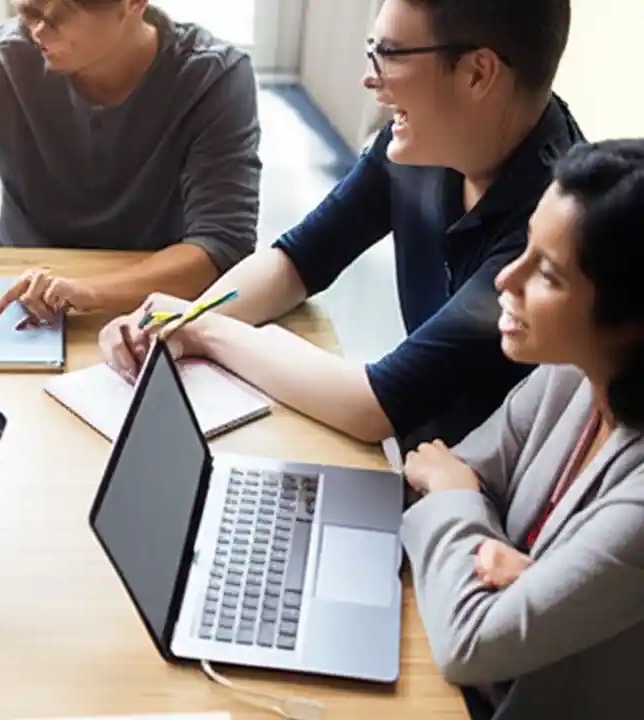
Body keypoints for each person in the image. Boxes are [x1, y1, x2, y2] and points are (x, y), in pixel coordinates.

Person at [100, 0, 582, 453]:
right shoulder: (433, 138)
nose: (369, 80)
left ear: (477, 73)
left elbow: (375, 405)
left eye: (389, 55)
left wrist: (204, 330)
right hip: (418, 460)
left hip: (478, 511)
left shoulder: (546, 229)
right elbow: (298, 260)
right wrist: (179, 324)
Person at [400, 140, 644, 719]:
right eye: (526, 246)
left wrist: (459, 497)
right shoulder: (573, 373)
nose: (507, 277)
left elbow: (470, 643)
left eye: (548, 274)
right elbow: (433, 475)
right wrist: (526, 573)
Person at [0, 0, 262, 350]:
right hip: (17, 307)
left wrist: (89, 291)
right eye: (29, 10)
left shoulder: (212, 79)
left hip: (155, 314)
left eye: (56, 18)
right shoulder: (3, 62)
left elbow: (222, 247)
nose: (36, 31)